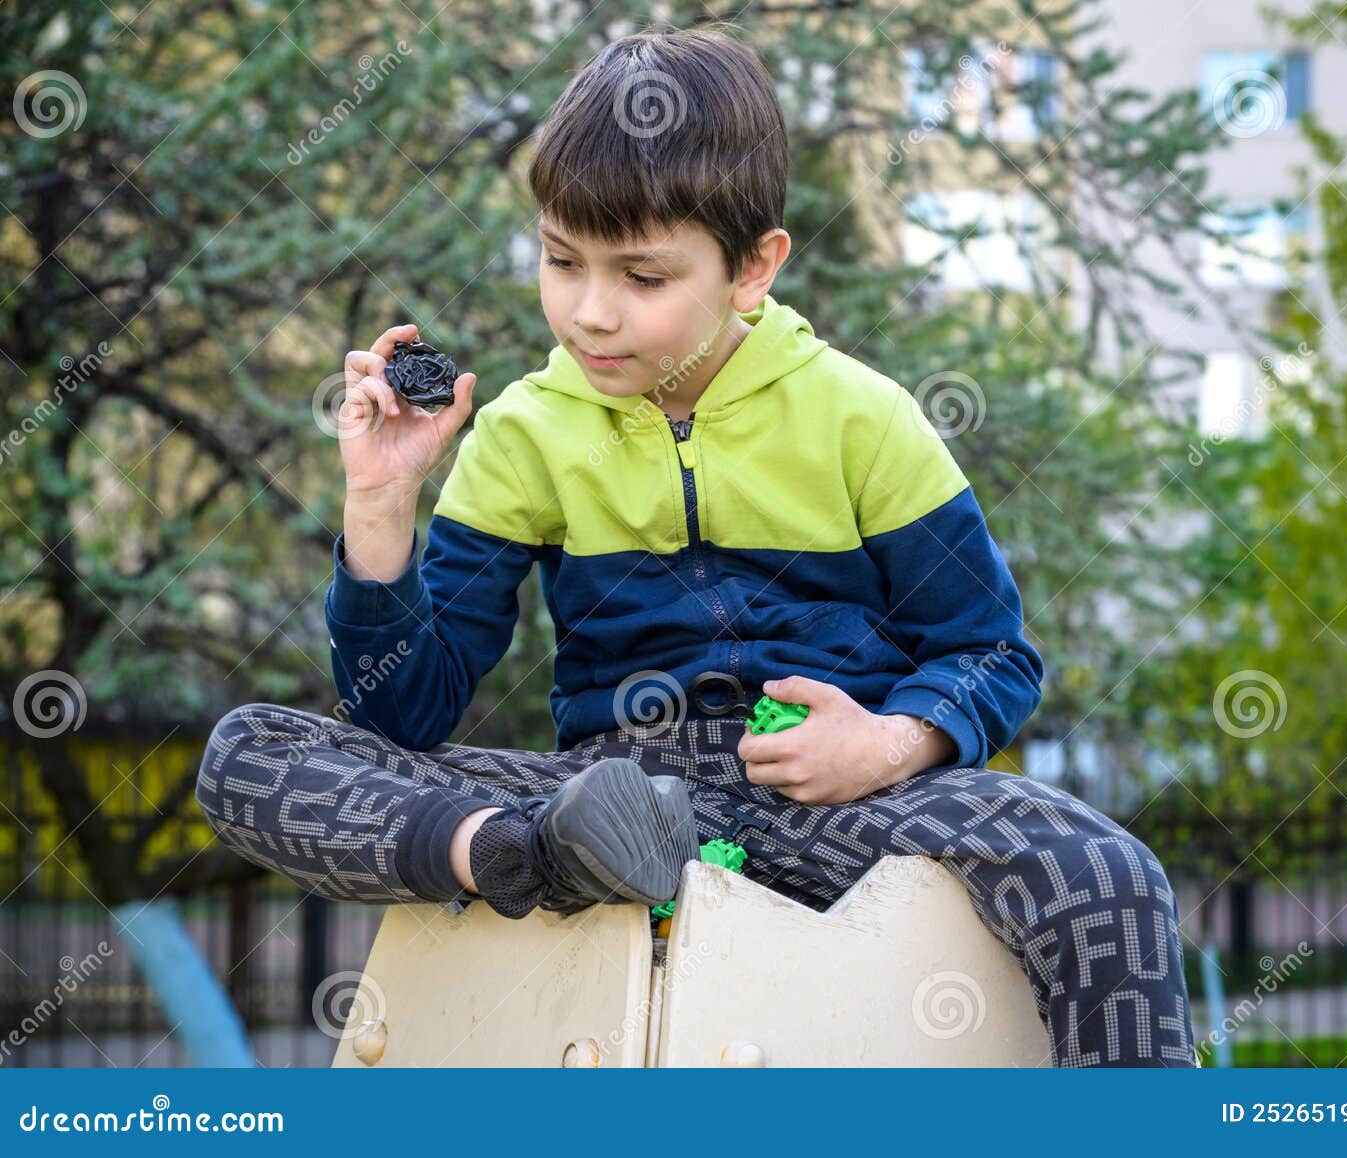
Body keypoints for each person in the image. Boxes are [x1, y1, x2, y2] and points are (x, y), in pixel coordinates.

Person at [196, 25, 1197, 1067]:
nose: (590, 314)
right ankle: (511, 856)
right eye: (561, 261)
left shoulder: (866, 418)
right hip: (606, 812)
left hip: (834, 800)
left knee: (1107, 876)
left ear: (753, 268)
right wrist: (380, 503)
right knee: (251, 753)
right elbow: (404, 714)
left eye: (642, 277)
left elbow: (991, 653)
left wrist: (888, 744)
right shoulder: (524, 432)